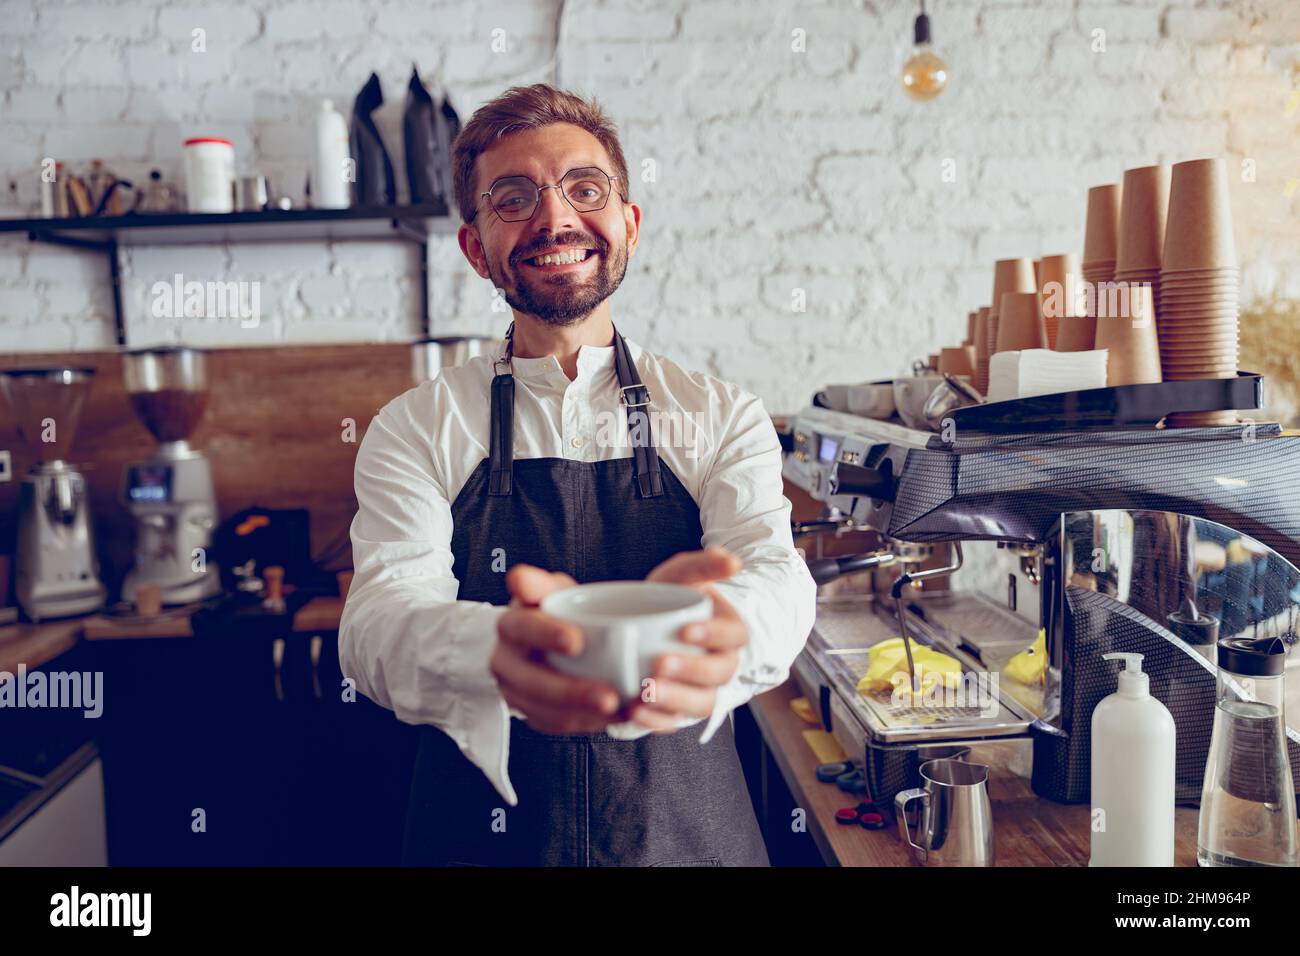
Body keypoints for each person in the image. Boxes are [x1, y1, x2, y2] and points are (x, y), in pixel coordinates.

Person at [339, 83, 817, 866]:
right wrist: (492, 645)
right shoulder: (415, 427)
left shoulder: (721, 414)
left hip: (690, 842)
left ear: (628, 224)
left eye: (584, 189)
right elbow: (375, 624)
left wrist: (720, 632)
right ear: (475, 246)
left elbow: (774, 574)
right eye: (514, 198)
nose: (556, 219)